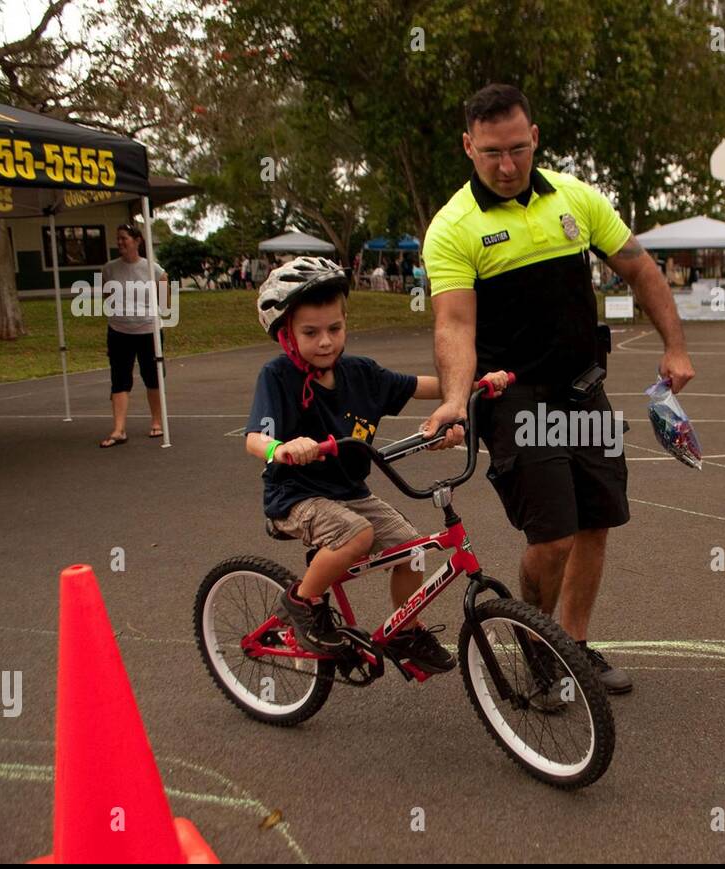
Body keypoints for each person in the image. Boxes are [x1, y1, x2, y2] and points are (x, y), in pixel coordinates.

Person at [421, 83, 695, 695]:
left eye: (518, 147)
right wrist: (453, 398)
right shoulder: (453, 228)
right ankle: (539, 645)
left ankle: (574, 643)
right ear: (469, 146)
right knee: (552, 537)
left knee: (595, 523)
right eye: (492, 152)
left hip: (583, 389)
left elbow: (639, 267)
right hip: (513, 398)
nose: (509, 165)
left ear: (535, 136)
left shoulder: (574, 197)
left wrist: (675, 346)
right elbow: (455, 323)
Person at [243, 255, 509, 668]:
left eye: (335, 328)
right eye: (310, 332)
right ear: (287, 335)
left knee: (414, 549)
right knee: (357, 535)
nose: (326, 341)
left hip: (350, 492)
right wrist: (282, 448)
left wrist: (472, 386)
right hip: (296, 495)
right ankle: (302, 603)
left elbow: (421, 386)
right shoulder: (278, 377)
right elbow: (254, 439)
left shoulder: (360, 374)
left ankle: (405, 631)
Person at [99, 223, 168, 447]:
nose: (120, 242)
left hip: (148, 331)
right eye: (118, 239)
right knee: (119, 379)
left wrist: (159, 312)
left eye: (124, 238)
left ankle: (157, 422)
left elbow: (165, 291)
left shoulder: (152, 269)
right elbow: (106, 295)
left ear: (137, 241)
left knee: (152, 376)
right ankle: (119, 429)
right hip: (119, 332)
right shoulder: (109, 269)